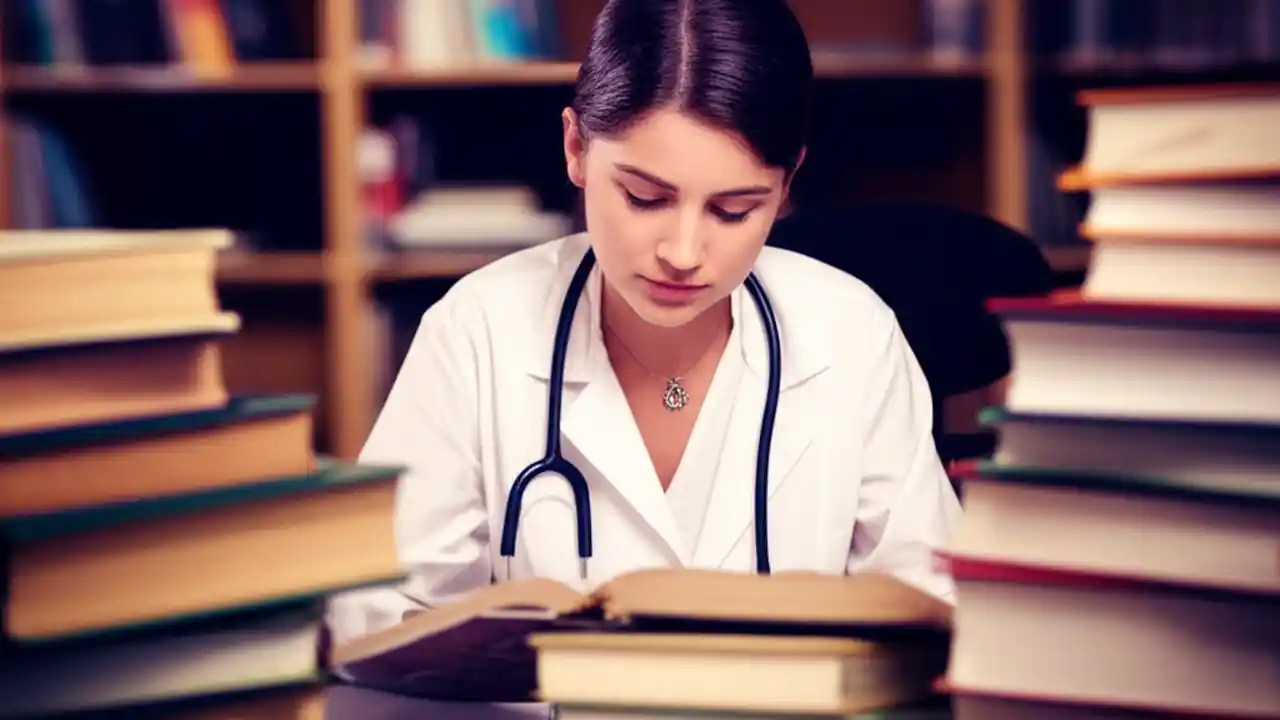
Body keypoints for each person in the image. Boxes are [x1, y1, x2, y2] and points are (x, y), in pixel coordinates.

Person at [329, 0, 961, 644]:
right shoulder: (476, 334)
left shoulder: (853, 337)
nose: (683, 253)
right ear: (576, 148)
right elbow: (378, 618)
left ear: (788, 182)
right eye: (645, 198)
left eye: (735, 210)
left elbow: (930, 611)